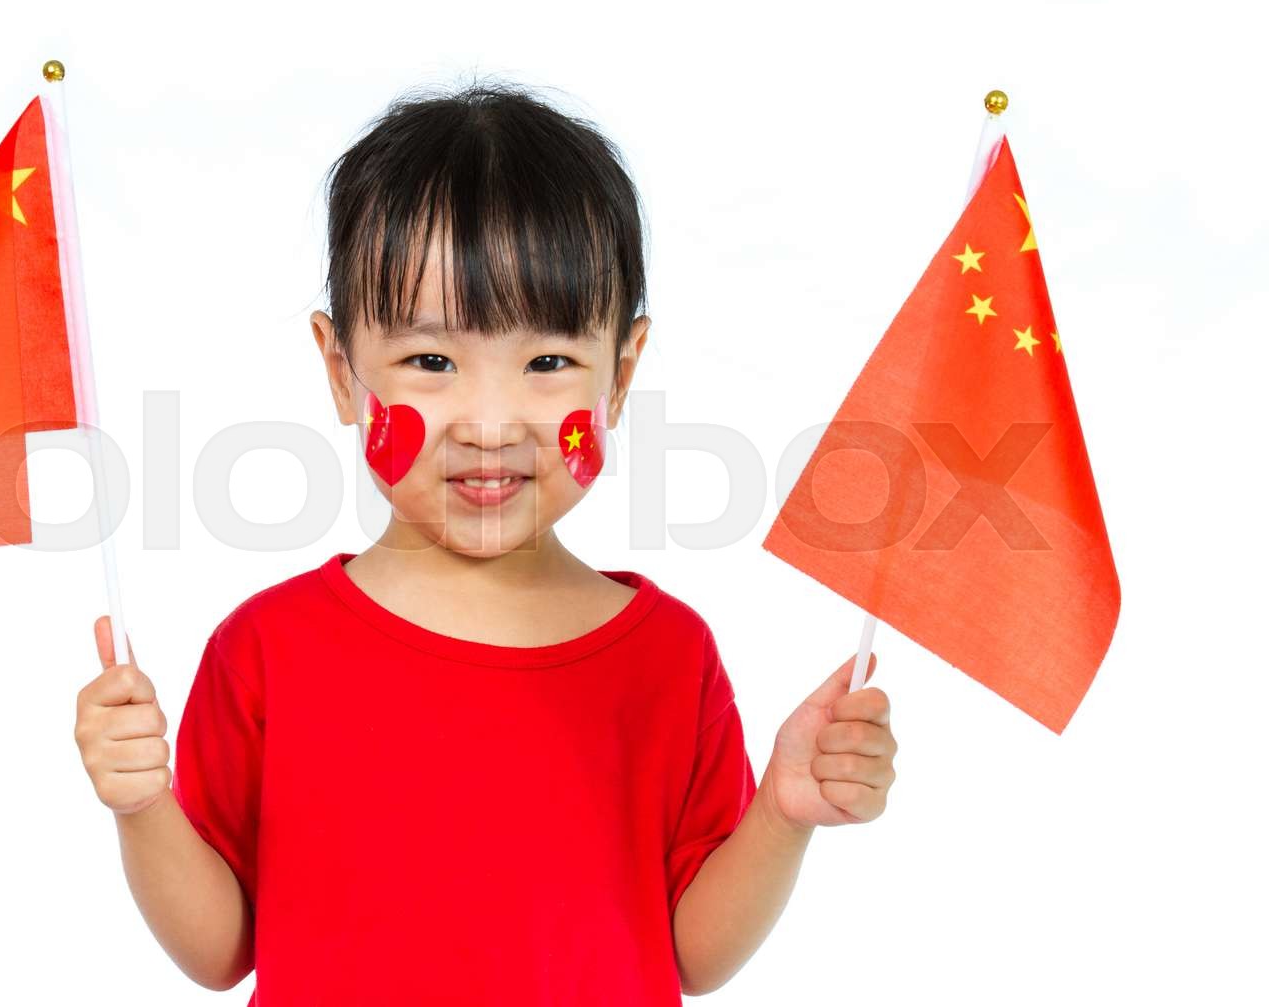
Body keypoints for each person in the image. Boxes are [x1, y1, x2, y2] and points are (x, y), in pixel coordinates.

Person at [73, 80, 898, 1004]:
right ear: (341, 371)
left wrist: (784, 813)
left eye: (549, 363)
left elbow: (692, 956)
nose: (493, 422)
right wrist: (142, 806)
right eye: (432, 362)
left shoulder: (670, 657)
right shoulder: (267, 650)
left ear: (619, 377)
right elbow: (219, 950)